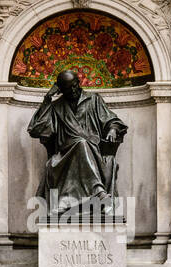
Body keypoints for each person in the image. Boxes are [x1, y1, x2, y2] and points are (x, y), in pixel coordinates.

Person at [27, 69, 127, 214]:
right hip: (65, 154)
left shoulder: (93, 99)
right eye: (68, 88)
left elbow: (112, 119)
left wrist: (112, 129)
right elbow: (36, 129)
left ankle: (69, 201)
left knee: (81, 143)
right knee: (80, 143)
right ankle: (99, 193)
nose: (73, 90)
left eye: (75, 85)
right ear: (60, 89)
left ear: (79, 82)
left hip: (93, 149)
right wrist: (47, 99)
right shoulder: (56, 107)